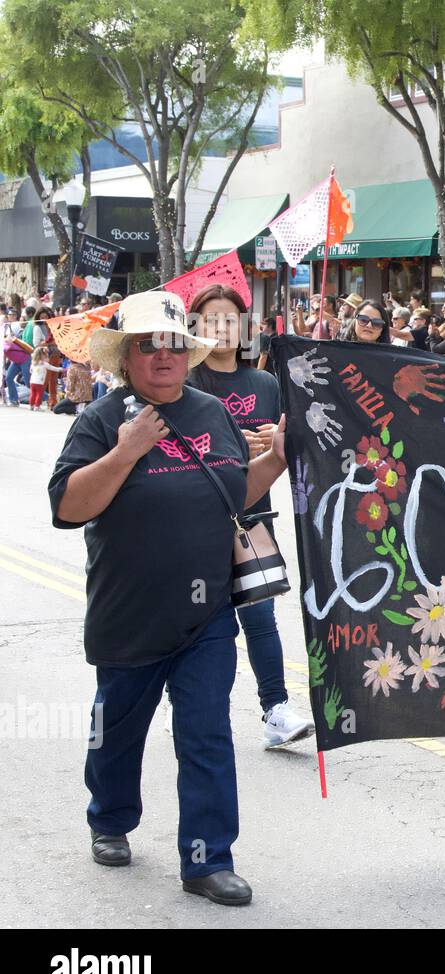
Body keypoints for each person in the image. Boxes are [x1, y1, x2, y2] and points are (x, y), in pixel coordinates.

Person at [49, 290, 288, 905]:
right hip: (128, 612)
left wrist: (279, 462)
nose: (163, 354)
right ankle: (110, 818)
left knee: (206, 732)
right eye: (148, 344)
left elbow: (236, 494)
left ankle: (207, 859)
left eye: (174, 343)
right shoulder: (100, 420)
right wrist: (128, 450)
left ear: (189, 353)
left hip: (205, 614)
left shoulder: (212, 412)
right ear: (126, 357)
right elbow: (68, 507)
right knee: (119, 731)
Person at [186, 284, 314, 748]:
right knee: (194, 618)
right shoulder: (183, 380)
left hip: (253, 518)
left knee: (260, 616)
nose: (220, 327)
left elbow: (291, 442)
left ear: (245, 327)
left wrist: (275, 445)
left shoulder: (265, 384)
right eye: (210, 318)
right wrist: (239, 442)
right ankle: (185, 700)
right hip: (192, 518)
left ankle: (276, 710)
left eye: (229, 318)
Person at [28, 344, 60, 409]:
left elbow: (30, 371)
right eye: (46, 357)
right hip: (40, 382)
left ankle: (31, 405)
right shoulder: (45, 364)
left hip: (32, 381)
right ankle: (37, 406)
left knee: (32, 394)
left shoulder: (33, 363)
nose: (48, 359)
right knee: (39, 394)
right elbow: (53, 368)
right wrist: (61, 369)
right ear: (42, 357)